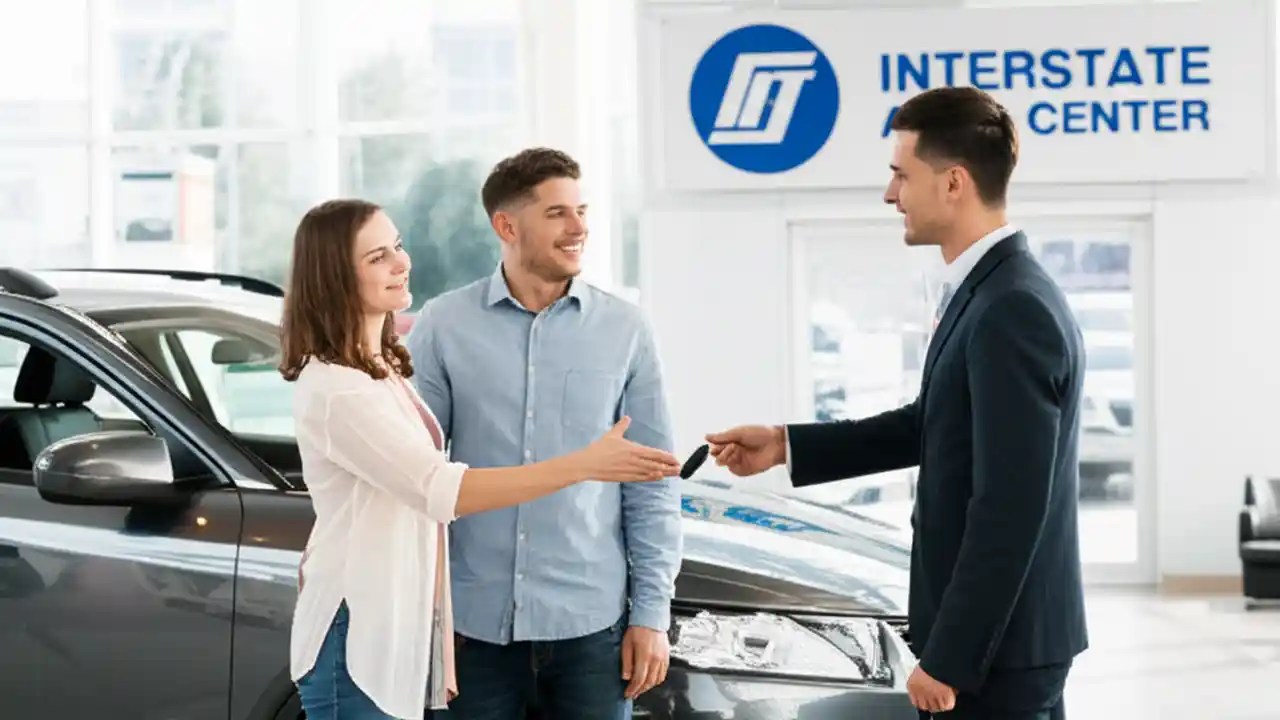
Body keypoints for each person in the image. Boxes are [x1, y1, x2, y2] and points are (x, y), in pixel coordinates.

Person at [705, 86, 1088, 720]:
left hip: (1001, 652)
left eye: (900, 174)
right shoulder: (990, 293)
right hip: (1006, 641)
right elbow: (931, 425)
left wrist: (951, 657)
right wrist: (786, 443)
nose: (890, 195)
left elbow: (1011, 504)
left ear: (954, 183)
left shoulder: (1011, 308)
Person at [280, 198, 681, 720]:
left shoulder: (380, 371)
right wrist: (584, 465)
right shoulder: (339, 389)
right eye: (378, 257)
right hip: (357, 631)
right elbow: (442, 491)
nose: (402, 262)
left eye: (398, 246)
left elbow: (417, 521)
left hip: (393, 628)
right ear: (334, 277)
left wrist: (440, 649)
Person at [407, 147, 682, 719]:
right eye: (558, 213)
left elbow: (652, 484)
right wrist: (422, 614)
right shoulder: (443, 324)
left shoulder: (624, 329)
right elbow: (417, 477)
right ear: (507, 225)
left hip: (591, 632)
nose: (579, 226)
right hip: (472, 633)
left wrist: (651, 615)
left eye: (581, 210)